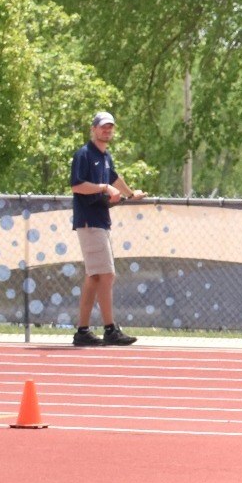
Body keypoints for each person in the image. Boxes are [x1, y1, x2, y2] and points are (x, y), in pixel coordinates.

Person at [69, 111, 146, 347]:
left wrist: (130, 194)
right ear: (93, 129)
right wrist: (104, 189)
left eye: (110, 127)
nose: (107, 131)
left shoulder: (105, 156)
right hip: (89, 221)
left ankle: (83, 331)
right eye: (103, 127)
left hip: (100, 220)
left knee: (94, 277)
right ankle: (110, 329)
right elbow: (77, 186)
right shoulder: (84, 154)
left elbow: (114, 179)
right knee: (107, 275)